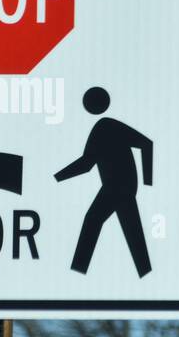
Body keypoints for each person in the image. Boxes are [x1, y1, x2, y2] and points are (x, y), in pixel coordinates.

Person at [53, 87, 153, 277]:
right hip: (119, 186)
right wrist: (58, 177)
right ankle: (147, 274)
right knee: (132, 230)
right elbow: (86, 164)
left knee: (93, 220)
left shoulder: (106, 126)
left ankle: (77, 271)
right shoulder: (101, 128)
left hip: (118, 185)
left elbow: (147, 144)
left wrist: (148, 182)